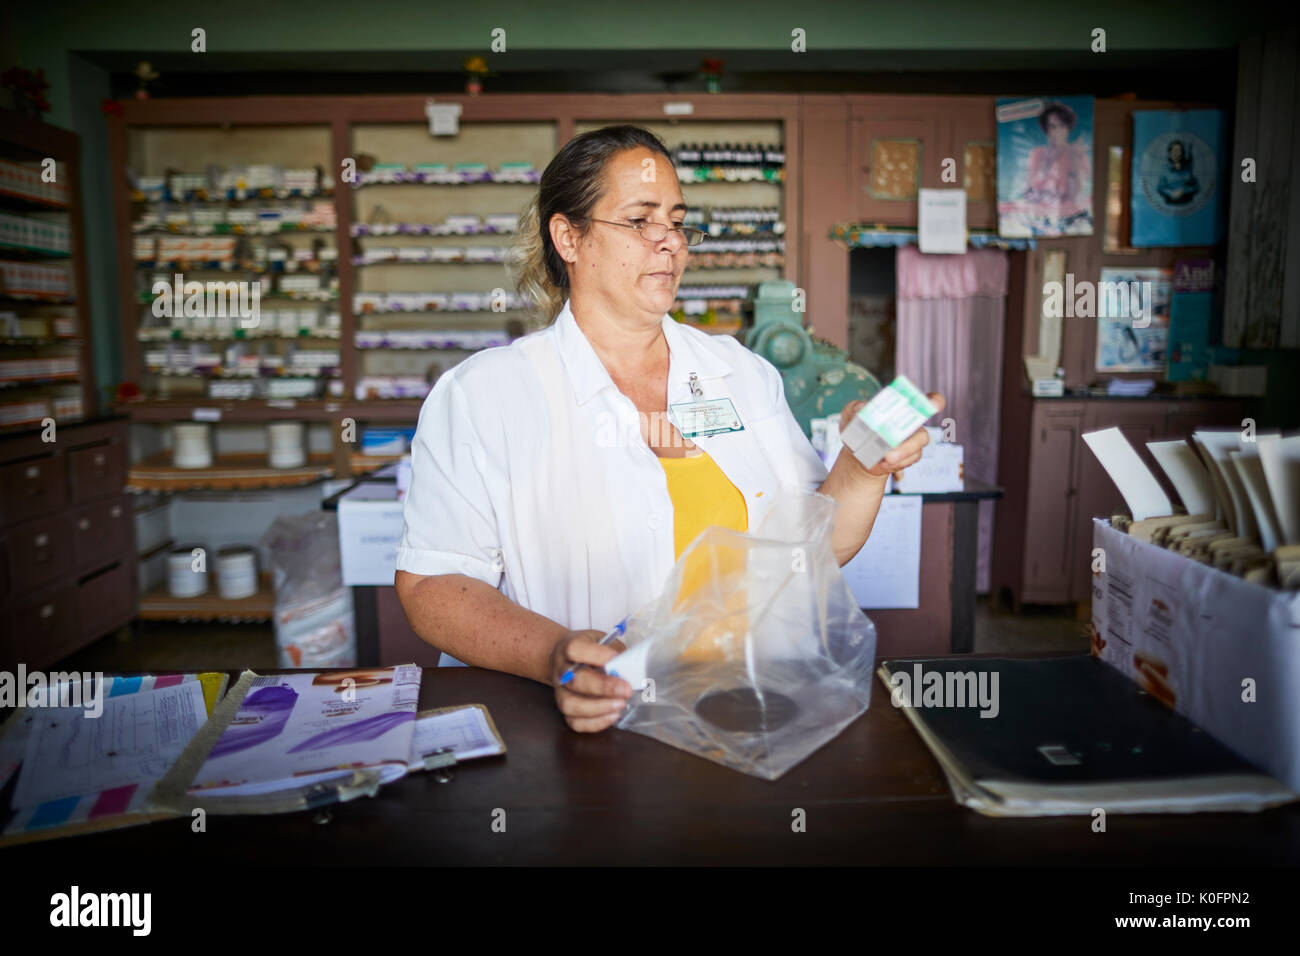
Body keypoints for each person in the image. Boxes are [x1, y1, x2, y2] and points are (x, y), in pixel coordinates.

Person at [394, 125, 944, 732]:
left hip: (736, 716)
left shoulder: (738, 372)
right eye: (640, 221)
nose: (670, 244)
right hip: (571, 726)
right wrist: (555, 656)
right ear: (568, 236)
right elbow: (434, 585)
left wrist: (862, 468)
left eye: (677, 222)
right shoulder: (485, 394)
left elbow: (809, 549)